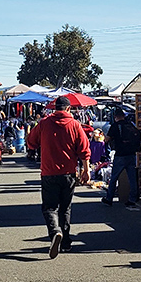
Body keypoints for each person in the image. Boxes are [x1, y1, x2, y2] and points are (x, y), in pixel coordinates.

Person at [26, 96, 90, 259]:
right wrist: (86, 170)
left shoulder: (44, 123)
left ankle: (55, 232)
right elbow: (84, 149)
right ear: (68, 109)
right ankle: (66, 242)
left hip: (48, 172)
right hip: (68, 172)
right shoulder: (75, 125)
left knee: (49, 207)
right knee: (65, 208)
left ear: (55, 108)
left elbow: (30, 142)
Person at [101, 108, 141, 210]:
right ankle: (132, 200)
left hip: (120, 155)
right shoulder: (130, 125)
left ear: (115, 117)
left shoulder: (114, 126)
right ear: (124, 116)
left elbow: (107, 139)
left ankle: (109, 198)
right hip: (131, 155)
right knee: (132, 179)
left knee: (114, 177)